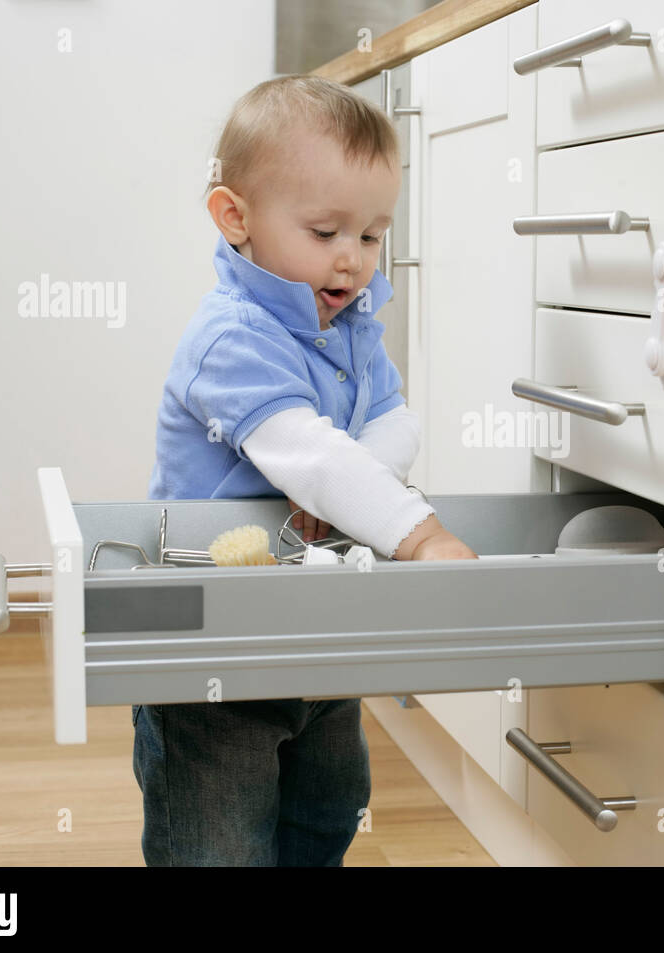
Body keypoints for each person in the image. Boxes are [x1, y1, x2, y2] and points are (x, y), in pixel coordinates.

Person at [137, 74, 476, 866]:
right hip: (212, 653)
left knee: (328, 811)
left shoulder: (350, 322)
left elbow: (395, 421)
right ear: (236, 219)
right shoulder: (232, 337)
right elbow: (309, 453)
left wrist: (352, 488)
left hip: (318, 634)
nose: (352, 260)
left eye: (371, 235)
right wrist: (417, 535)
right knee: (216, 841)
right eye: (326, 232)